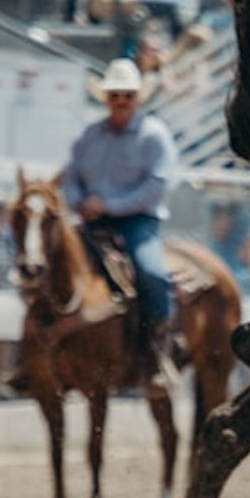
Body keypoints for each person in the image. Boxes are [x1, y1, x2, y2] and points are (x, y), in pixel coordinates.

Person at [59, 58, 179, 391]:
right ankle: (34, 354)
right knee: (49, 264)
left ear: (138, 97)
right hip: (92, 221)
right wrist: (78, 202)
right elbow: (70, 178)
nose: (121, 101)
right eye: (115, 95)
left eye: (127, 94)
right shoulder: (89, 136)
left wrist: (109, 204)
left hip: (138, 221)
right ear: (106, 98)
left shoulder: (154, 135)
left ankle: (158, 347)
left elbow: (156, 186)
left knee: (151, 272)